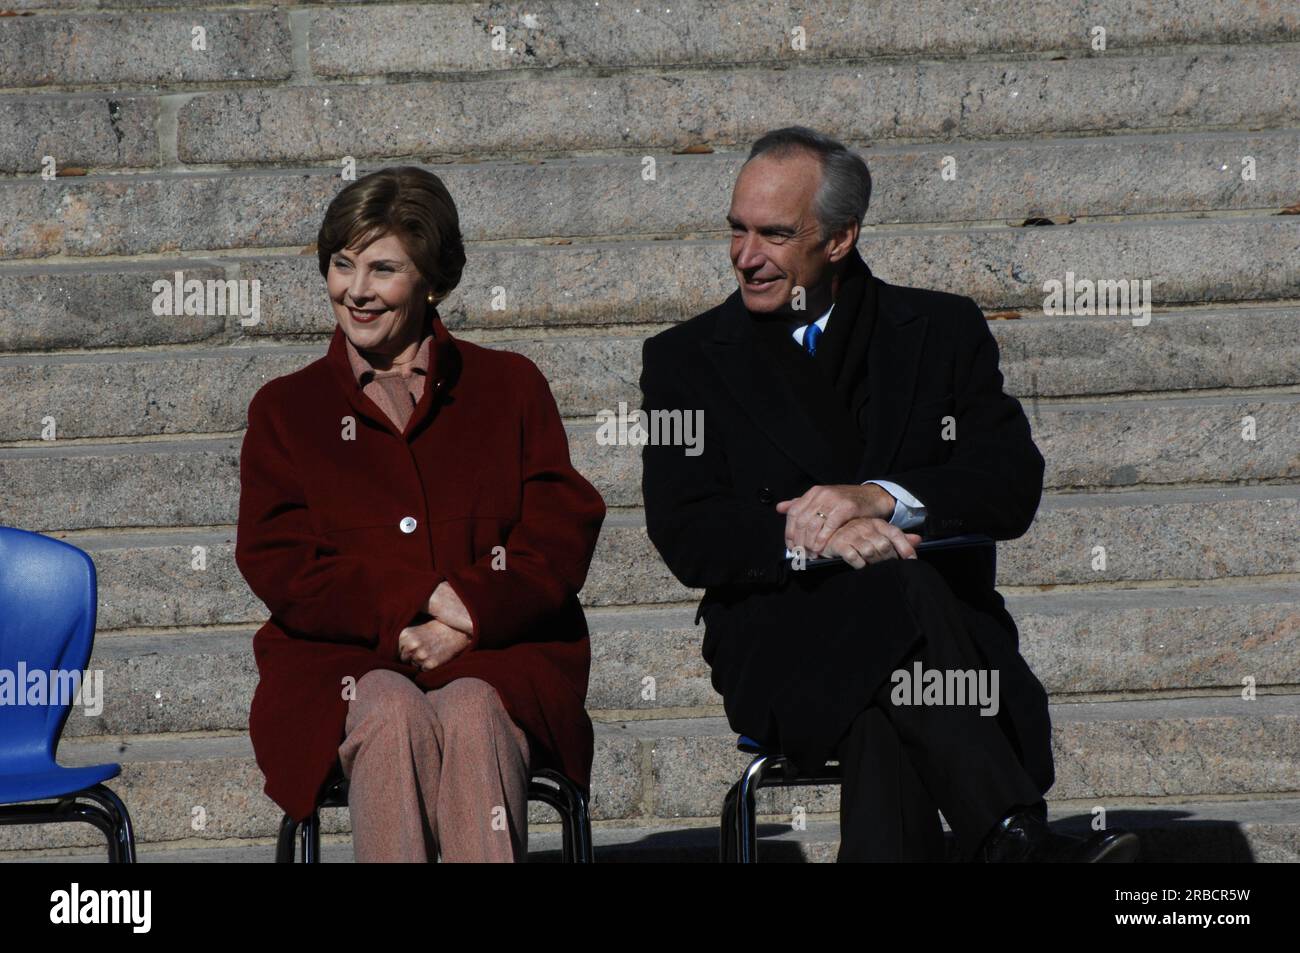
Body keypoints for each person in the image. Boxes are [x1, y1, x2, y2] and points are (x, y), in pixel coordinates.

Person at [639, 126, 1138, 862]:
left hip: (945, 642)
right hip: (782, 638)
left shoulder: (939, 330)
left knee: (888, 698)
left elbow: (1009, 485)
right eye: (737, 230)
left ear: (839, 240)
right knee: (901, 597)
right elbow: (685, 529)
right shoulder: (685, 361)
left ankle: (1015, 844)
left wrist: (879, 497)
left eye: (775, 234)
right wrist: (809, 534)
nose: (747, 256)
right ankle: (1016, 837)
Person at [236, 166, 606, 862]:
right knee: (391, 710)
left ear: (431, 278)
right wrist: (424, 599)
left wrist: (470, 614)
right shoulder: (287, 409)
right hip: (341, 662)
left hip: (501, 654)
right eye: (342, 265)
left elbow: (560, 527)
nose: (356, 290)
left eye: (383, 268)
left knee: (470, 710)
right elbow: (281, 560)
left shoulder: (509, 385)